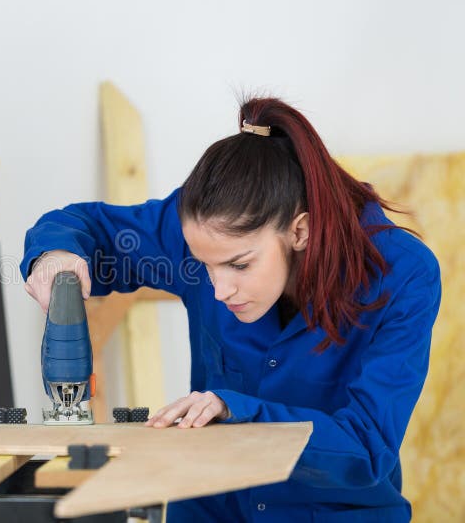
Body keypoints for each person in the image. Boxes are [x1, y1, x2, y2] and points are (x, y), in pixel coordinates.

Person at [22, 97, 441, 522]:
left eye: (239, 265)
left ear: (301, 230)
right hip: (212, 507)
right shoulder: (202, 229)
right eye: (204, 266)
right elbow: (88, 227)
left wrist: (237, 412)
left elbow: (365, 448)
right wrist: (55, 252)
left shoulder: (400, 274)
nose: (219, 290)